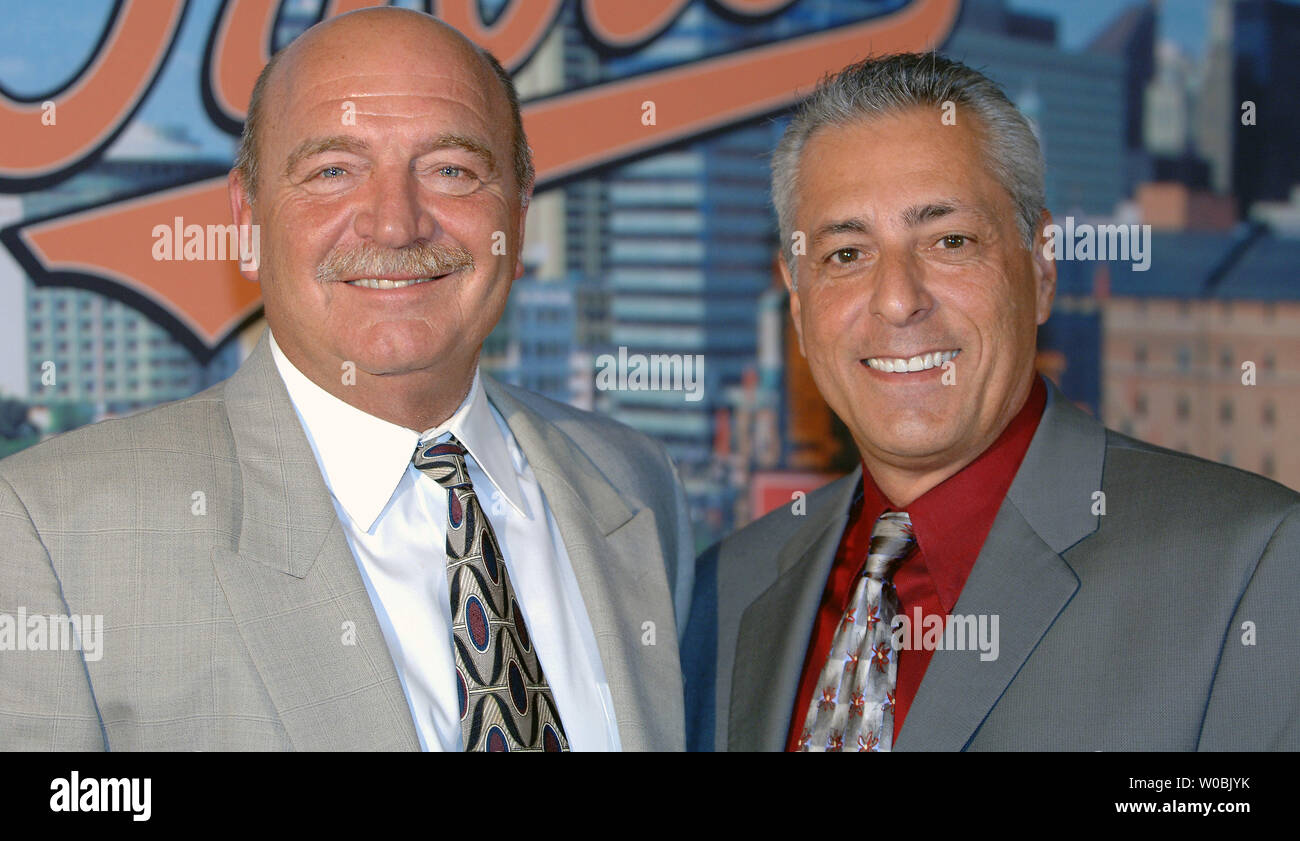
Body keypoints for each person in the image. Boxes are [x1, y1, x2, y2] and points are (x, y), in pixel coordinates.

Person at [0, 7, 692, 751]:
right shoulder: (55, 536)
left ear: (517, 217)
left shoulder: (633, 482)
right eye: (333, 171)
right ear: (247, 220)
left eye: (451, 170)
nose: (395, 224)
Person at [682, 53, 1300, 752]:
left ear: (1040, 268)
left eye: (950, 241)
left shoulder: (1252, 568)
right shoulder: (719, 595)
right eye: (847, 254)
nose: (897, 298)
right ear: (797, 305)